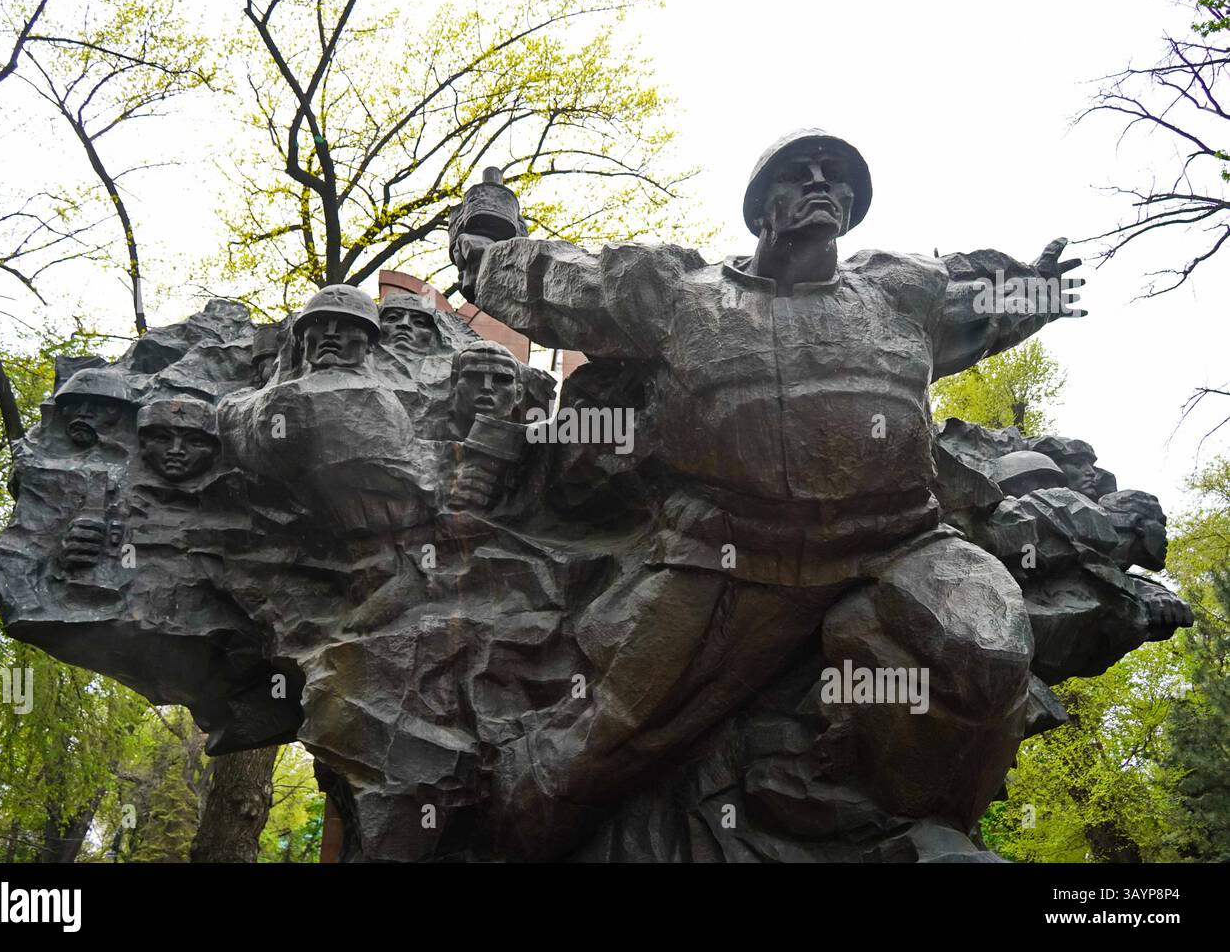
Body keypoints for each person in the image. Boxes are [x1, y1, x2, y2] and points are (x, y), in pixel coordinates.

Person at [450, 128, 1095, 857]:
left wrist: (1039, 287)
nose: (822, 183)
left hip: (900, 543)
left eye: (836, 177)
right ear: (763, 206)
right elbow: (544, 279)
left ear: (851, 207)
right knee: (593, 750)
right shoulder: (674, 296)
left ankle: (905, 833)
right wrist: (484, 235)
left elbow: (991, 299)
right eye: (800, 173)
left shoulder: (900, 293)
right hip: (730, 560)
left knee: (987, 653)